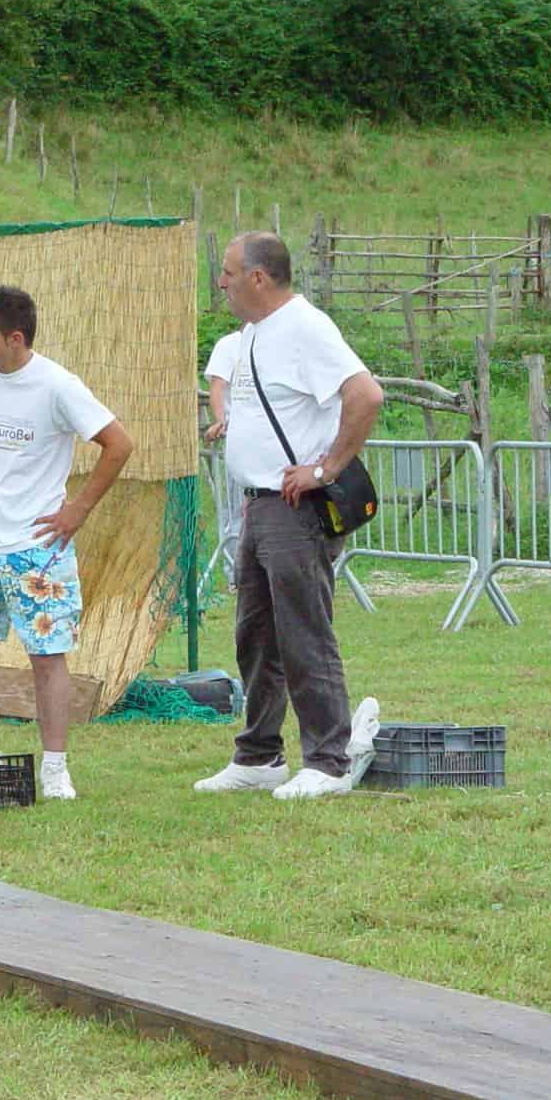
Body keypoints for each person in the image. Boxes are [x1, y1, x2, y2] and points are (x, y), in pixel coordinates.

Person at [194, 233, 383, 800]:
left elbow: (365, 395)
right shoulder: (253, 334)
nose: (220, 282)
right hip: (258, 504)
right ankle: (259, 754)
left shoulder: (306, 328)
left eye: (228, 273)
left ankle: (327, 760)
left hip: (295, 508)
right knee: (256, 634)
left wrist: (325, 469)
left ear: (258, 278)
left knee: (304, 632)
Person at [0, 286, 135, 801]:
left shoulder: (57, 387)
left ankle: (55, 768)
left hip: (36, 544)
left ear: (14, 338)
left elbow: (119, 443)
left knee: (47, 655)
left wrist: (78, 510)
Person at [203, 326, 245, 591]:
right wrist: (221, 420)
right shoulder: (230, 345)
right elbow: (217, 386)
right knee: (237, 509)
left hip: (270, 442)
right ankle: (236, 576)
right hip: (238, 438)